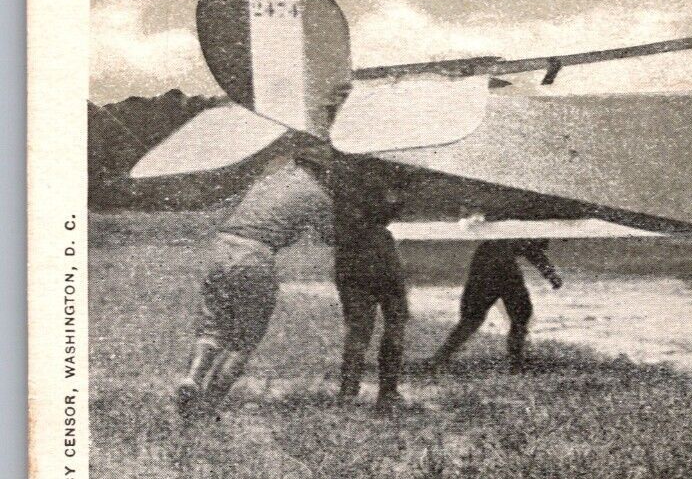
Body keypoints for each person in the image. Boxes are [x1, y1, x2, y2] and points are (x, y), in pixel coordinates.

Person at [176, 148, 334, 415]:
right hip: (255, 256)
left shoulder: (269, 180)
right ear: (325, 170)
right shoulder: (317, 195)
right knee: (243, 341)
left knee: (212, 327)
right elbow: (332, 236)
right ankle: (209, 406)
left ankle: (192, 377)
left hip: (222, 248)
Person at [330, 158, 410, 410]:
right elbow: (392, 207)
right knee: (395, 323)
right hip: (380, 254)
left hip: (350, 259)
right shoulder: (381, 175)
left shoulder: (338, 179)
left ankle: (347, 393)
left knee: (358, 330)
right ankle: (387, 392)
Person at [424, 240, 562, 373]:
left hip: (488, 262)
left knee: (473, 319)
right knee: (516, 318)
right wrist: (550, 273)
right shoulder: (525, 230)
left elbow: (532, 249)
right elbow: (533, 249)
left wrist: (549, 272)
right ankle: (516, 363)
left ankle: (439, 359)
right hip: (498, 264)